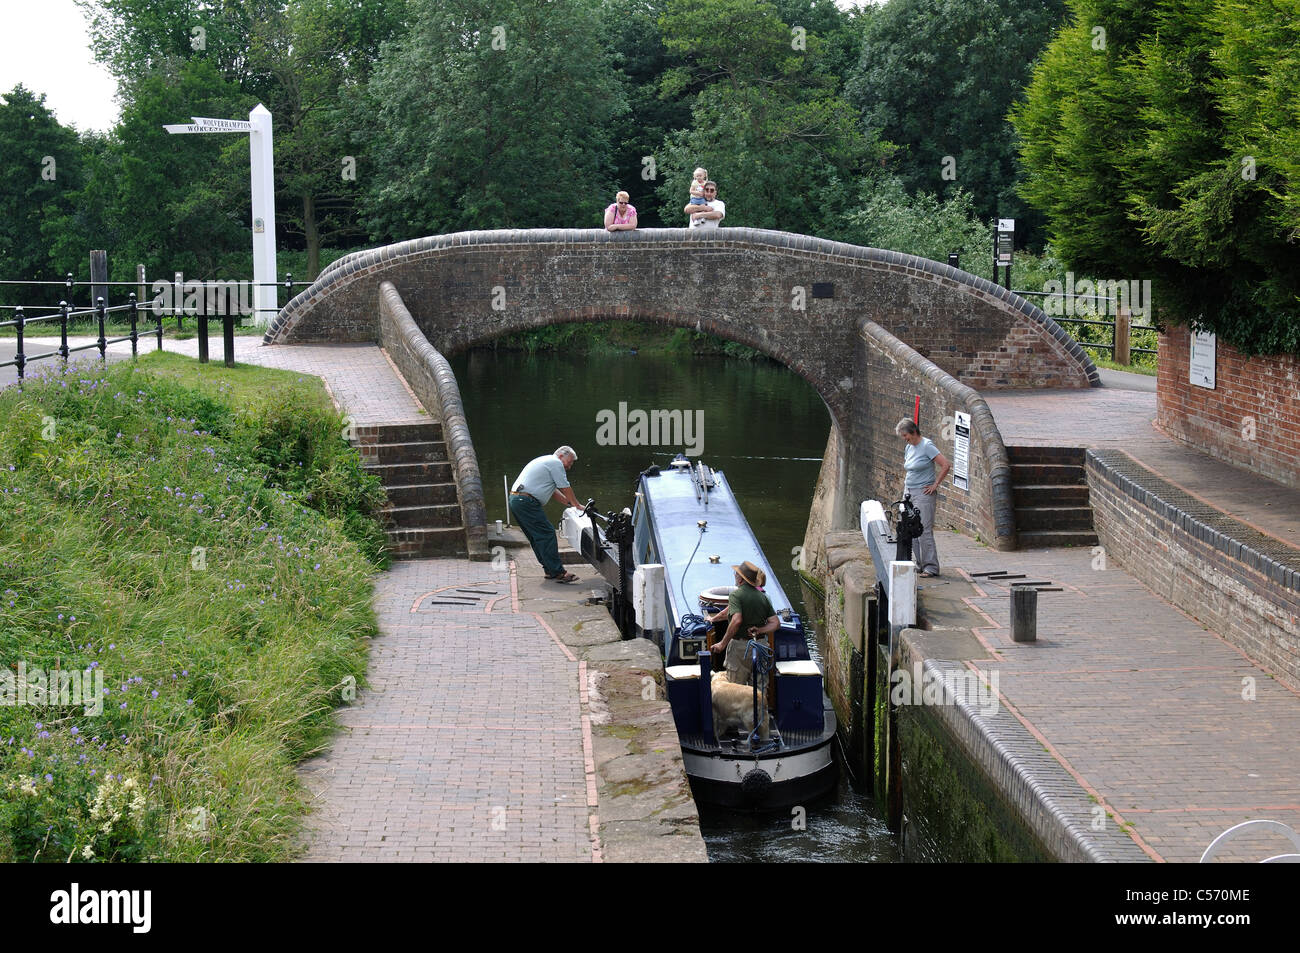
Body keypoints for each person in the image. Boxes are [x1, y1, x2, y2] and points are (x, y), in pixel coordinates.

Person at [509, 446, 583, 582]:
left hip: (517, 499)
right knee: (547, 533)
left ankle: (550, 570)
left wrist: (571, 504)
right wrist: (577, 505)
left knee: (537, 537)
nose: (570, 467)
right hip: (526, 500)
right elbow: (565, 487)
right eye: (570, 462)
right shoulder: (555, 463)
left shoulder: (546, 462)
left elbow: (554, 491)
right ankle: (558, 572)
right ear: (561, 456)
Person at [895, 418, 952, 577]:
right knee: (910, 529)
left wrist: (935, 484)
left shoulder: (927, 446)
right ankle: (919, 564)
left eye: (906, 435)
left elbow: (945, 465)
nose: (905, 439)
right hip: (909, 492)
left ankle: (931, 567)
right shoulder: (909, 447)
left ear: (913, 432)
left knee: (924, 530)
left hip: (924, 493)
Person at [708, 561, 780, 683]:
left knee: (736, 688)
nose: (735, 576)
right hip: (760, 645)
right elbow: (775, 623)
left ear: (741, 579)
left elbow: (736, 620)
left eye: (736, 574)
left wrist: (722, 644)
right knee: (759, 690)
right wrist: (759, 630)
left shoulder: (736, 595)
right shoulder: (763, 597)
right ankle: (760, 703)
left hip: (740, 648)